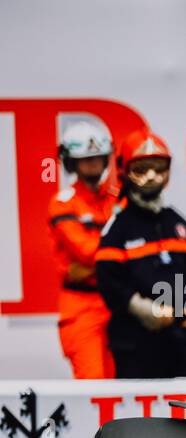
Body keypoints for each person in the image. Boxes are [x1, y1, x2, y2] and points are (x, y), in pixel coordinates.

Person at [94, 129, 186, 379]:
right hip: (134, 342)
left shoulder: (178, 224)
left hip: (180, 335)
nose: (151, 176)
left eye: (159, 168)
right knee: (141, 414)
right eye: (142, 169)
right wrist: (139, 307)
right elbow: (108, 277)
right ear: (125, 172)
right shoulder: (118, 227)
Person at [48, 121, 119, 378]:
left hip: (118, 304)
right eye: (84, 158)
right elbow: (86, 252)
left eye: (97, 157)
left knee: (128, 388)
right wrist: (118, 255)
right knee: (94, 388)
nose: (92, 163)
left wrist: (103, 261)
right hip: (81, 310)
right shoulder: (62, 204)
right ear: (71, 162)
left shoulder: (118, 199)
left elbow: (132, 249)